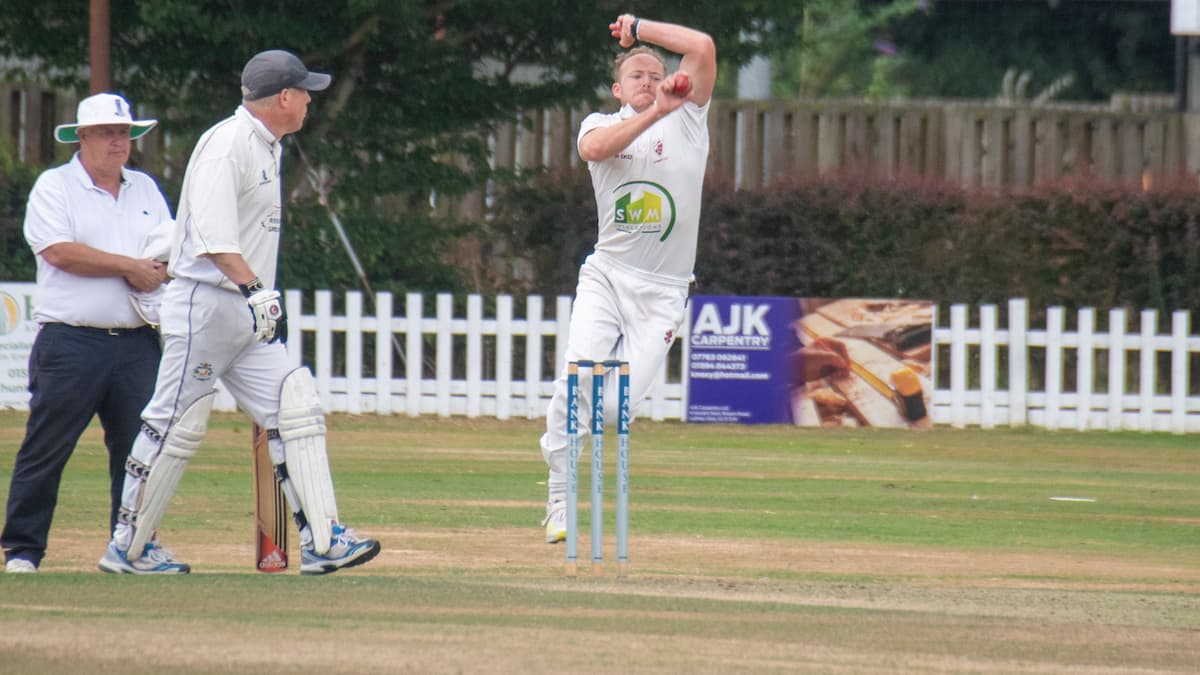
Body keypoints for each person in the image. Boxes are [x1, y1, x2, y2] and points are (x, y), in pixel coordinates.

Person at [99, 49, 381, 575]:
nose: (310, 101)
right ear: (284, 97)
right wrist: (255, 288)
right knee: (174, 422)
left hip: (246, 312)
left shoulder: (267, 146)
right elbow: (211, 239)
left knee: (295, 407)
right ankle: (128, 547)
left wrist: (255, 296)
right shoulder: (227, 145)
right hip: (206, 305)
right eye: (305, 93)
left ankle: (323, 542)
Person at [539, 15, 717, 543]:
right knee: (575, 381)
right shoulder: (600, 123)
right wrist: (654, 109)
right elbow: (593, 151)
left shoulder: (689, 120)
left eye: (656, 74)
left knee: (615, 410)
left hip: (664, 292)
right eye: (636, 75)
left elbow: (703, 46)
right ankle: (558, 499)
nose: (648, 80)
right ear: (618, 89)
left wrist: (639, 28)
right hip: (608, 277)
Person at [2, 93, 171, 573]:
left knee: (139, 452)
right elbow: (59, 252)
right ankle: (23, 550)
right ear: (82, 137)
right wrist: (131, 267)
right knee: (47, 447)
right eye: (106, 133)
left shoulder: (145, 188)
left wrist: (156, 269)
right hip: (71, 340)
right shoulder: (55, 186)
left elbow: (168, 247)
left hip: (137, 338)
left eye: (124, 133)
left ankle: (132, 547)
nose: (118, 142)